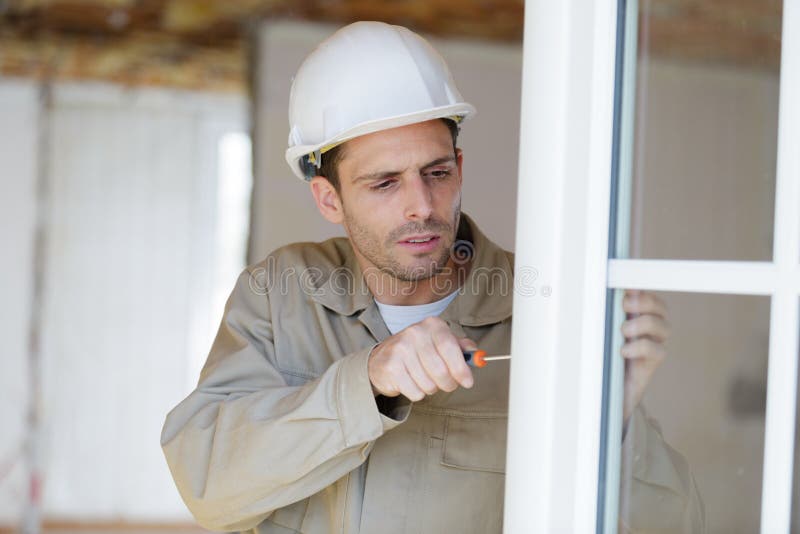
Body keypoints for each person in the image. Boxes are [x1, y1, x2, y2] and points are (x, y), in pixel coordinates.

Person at [161, 21, 703, 533]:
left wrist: (616, 419)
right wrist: (368, 381)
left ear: (459, 169)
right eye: (384, 183)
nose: (421, 205)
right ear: (330, 198)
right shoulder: (280, 292)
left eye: (436, 173)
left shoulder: (542, 309)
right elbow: (206, 485)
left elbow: (679, 525)